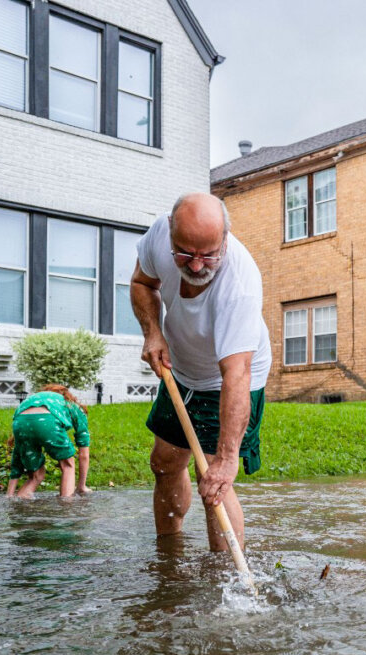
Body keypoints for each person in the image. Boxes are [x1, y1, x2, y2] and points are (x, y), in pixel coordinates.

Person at [130, 192, 272, 552]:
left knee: (212, 479)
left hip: (230, 378)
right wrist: (152, 332)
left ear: (225, 238)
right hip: (181, 367)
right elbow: (143, 283)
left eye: (208, 255)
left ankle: (222, 575)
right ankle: (169, 555)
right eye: (184, 253)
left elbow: (236, 375)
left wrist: (226, 460)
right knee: (164, 463)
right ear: (170, 231)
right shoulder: (158, 236)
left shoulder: (239, 286)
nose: (196, 266)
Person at [7, 384, 91, 499]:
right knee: (67, 465)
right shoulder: (70, 404)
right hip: (48, 421)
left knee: (36, 476)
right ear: (66, 395)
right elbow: (84, 454)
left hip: (19, 422)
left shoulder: (31, 401)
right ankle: (66, 504)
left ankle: (20, 502)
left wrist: (9, 495)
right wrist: (81, 486)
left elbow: (17, 456)